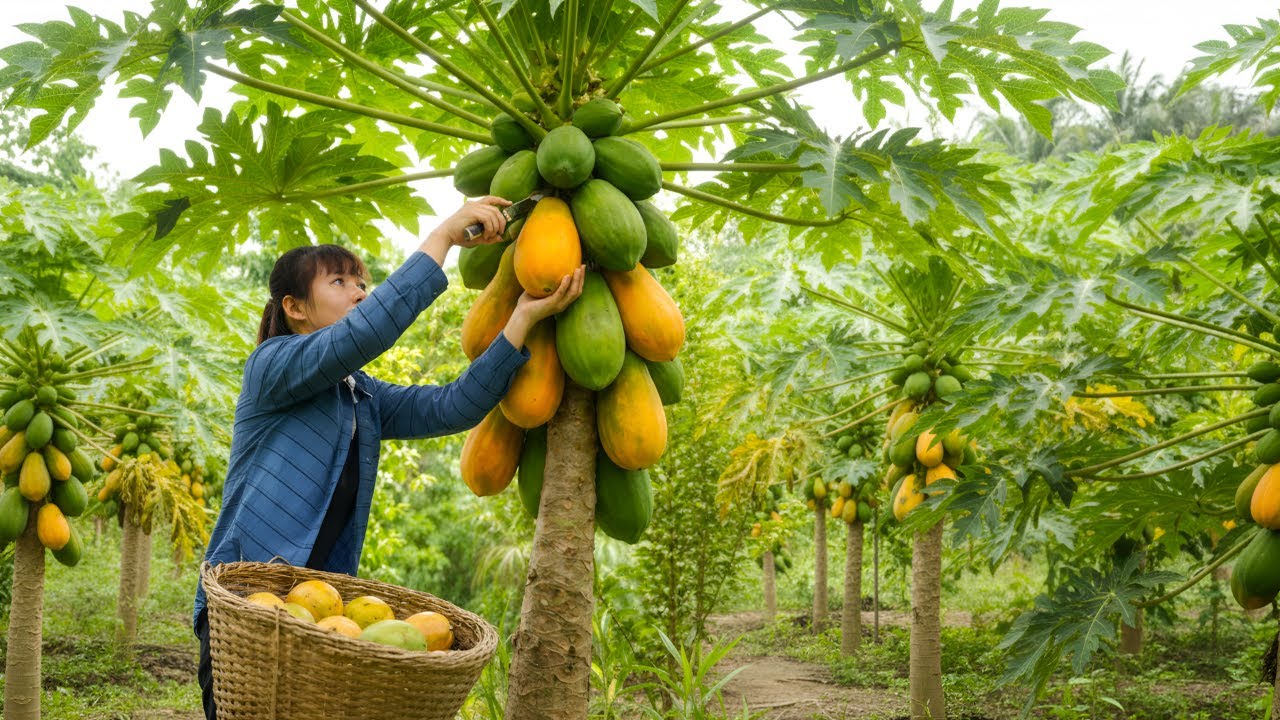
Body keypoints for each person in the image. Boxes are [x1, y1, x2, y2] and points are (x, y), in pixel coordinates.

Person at [192, 196, 584, 719]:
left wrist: (522, 317)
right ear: (294, 307)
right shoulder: (272, 367)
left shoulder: (361, 397)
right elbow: (365, 333)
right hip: (247, 603)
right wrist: (442, 236)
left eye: (362, 282)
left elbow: (453, 406)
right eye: (341, 282)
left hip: (324, 615)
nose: (359, 291)